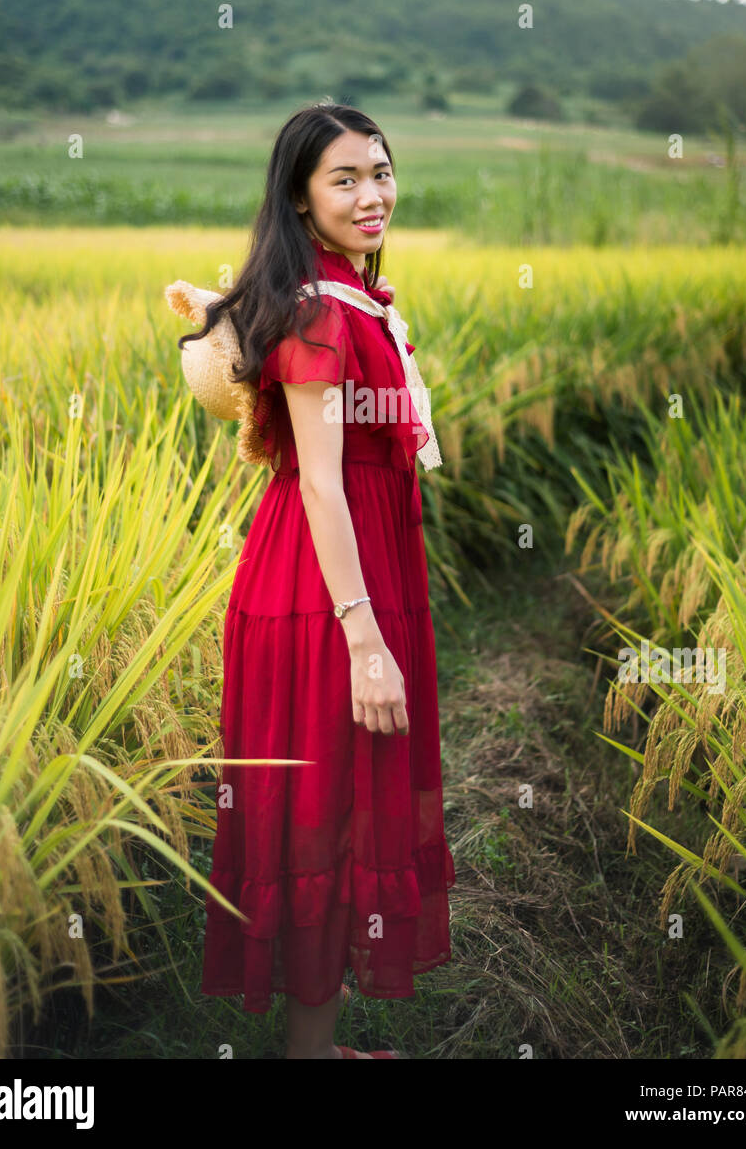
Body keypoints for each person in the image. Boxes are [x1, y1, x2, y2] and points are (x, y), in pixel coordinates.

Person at [196, 102, 455, 1059]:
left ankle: (315, 1045)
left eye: (380, 172)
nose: (371, 194)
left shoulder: (350, 295)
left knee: (344, 806)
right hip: (321, 587)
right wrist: (364, 638)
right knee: (322, 815)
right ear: (301, 199)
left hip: (356, 569)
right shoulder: (316, 310)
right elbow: (318, 478)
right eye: (343, 179)